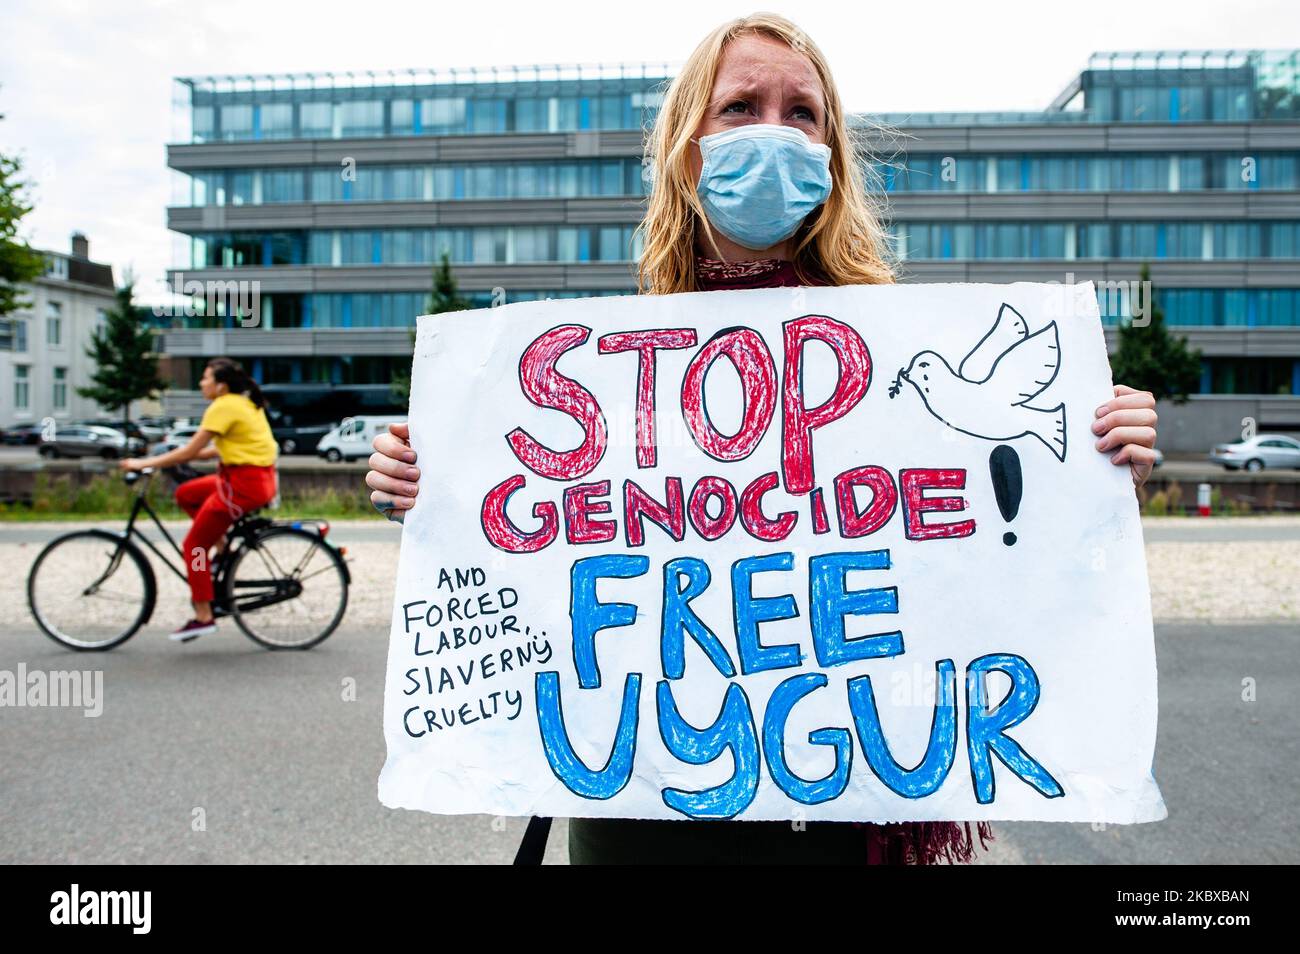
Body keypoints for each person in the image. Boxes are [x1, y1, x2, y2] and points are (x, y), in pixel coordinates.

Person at [365, 13, 1159, 863]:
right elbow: (531, 552)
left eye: (802, 113)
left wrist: (1100, 461)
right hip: (642, 807)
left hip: (842, 804)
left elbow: (991, 557)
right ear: (688, 141)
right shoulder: (600, 362)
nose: (774, 132)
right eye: (741, 107)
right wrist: (426, 487)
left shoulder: (902, 346)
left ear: (831, 154)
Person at [121, 357, 279, 642]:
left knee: (193, 545)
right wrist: (172, 454)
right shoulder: (240, 403)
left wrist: (145, 462)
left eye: (206, 378)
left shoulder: (223, 406)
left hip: (242, 486)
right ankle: (222, 549)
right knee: (186, 493)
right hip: (249, 480)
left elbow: (190, 452)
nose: (201, 383)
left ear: (220, 385)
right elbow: (216, 449)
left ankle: (204, 615)